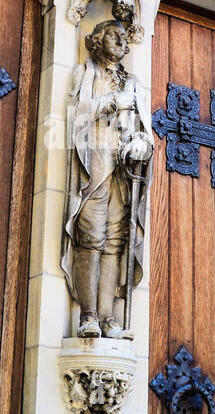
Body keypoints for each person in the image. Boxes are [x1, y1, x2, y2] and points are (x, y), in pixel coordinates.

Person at [62, 20, 154, 339]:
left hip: (123, 173)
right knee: (91, 238)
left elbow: (144, 127)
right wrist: (113, 102)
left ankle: (108, 317)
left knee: (115, 242)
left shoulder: (133, 81)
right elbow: (79, 113)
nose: (123, 43)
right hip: (95, 168)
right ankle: (88, 315)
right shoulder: (86, 73)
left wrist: (142, 143)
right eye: (115, 36)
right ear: (98, 41)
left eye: (125, 39)